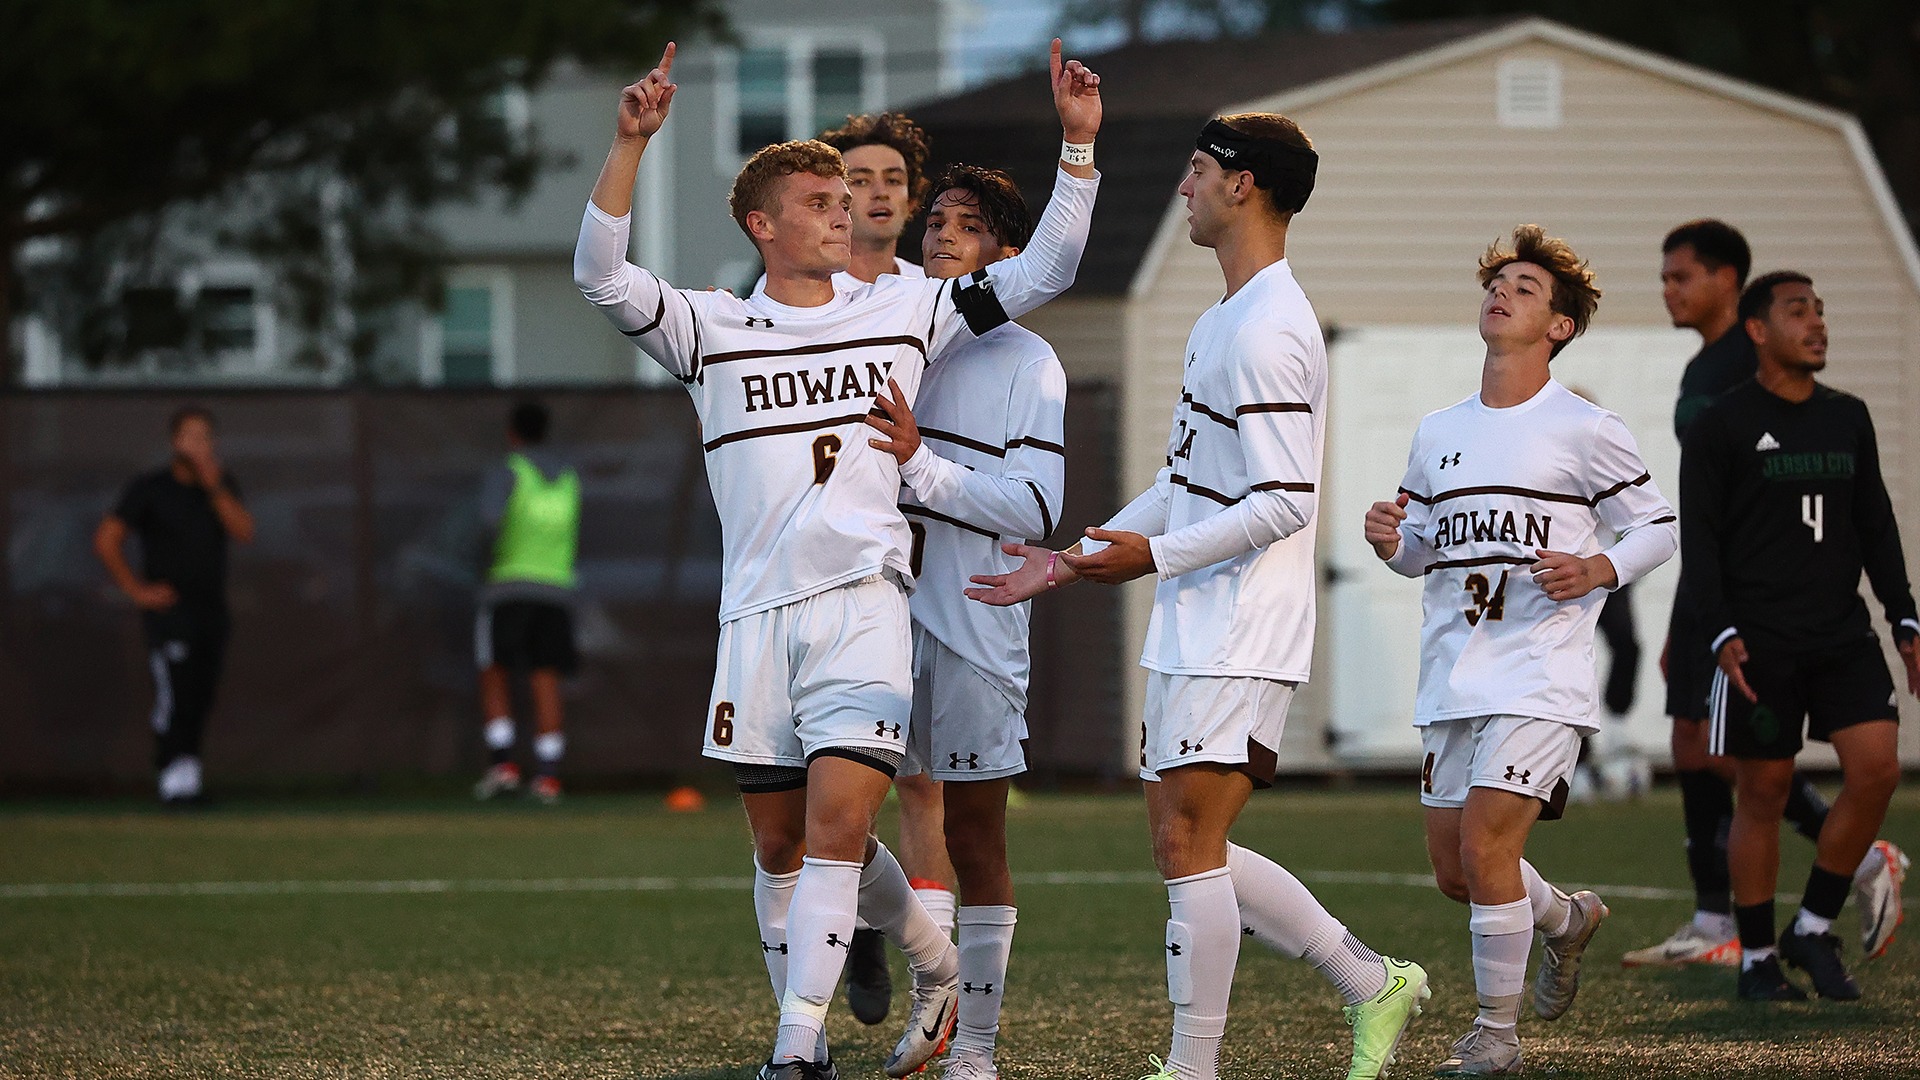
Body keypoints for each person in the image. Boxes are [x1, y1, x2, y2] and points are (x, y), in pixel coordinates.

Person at [572, 40, 1102, 1080]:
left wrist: (1077, 147)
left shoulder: (907, 311)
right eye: (818, 199)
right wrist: (630, 143)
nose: (844, 210)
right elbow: (599, 274)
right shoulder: (711, 330)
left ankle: (797, 1049)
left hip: (865, 604)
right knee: (785, 849)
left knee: (832, 829)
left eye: (844, 196)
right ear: (763, 225)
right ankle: (937, 964)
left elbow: (1045, 270)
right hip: (757, 617)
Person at [969, 112, 1426, 1080]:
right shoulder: (1221, 318)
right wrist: (1067, 559)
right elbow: (1186, 482)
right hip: (1192, 620)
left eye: (1196, 171)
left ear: (1243, 185)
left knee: (1188, 840)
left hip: (1244, 624)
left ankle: (1194, 1066)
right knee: (1185, 848)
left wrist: (1154, 559)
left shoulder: (1270, 328)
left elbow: (1281, 502)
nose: (1183, 187)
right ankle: (1373, 981)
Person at [1364, 225, 1678, 1074]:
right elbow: (1425, 549)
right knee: (1457, 874)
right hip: (1452, 676)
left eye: (1526, 287)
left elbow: (1659, 528)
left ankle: (1495, 1037)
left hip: (1541, 674)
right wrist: (1391, 541)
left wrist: (1598, 566)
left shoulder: (1585, 427)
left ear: (1560, 326)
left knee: (1488, 852)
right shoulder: (1437, 431)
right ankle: (1566, 919)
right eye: (1497, 282)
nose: (1501, 293)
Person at [1623, 221, 1906, 968]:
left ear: (1727, 283)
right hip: (1725, 594)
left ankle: (1766, 900)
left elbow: (1860, 515)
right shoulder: (1707, 372)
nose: (1668, 290)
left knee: (1720, 752)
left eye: (1681, 276)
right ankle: (1721, 919)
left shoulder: (1748, 375)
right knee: (1698, 744)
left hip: (1784, 606)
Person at [863, 164, 1067, 1080]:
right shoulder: (897, 331)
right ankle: (896, 937)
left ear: (1008, 257)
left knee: (978, 840)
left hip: (978, 627)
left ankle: (973, 1046)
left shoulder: (1029, 361)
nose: (941, 236)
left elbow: (1035, 508)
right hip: (874, 615)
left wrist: (921, 468)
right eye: (934, 221)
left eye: (968, 225)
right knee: (823, 806)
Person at [1683, 270, 1920, 1001]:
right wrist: (1719, 627)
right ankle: (1757, 958)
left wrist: (1903, 615)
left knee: (1877, 766)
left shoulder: (1847, 417)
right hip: (1759, 640)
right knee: (1765, 789)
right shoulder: (1721, 423)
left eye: (1821, 312)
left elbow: (1874, 523)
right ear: (1757, 330)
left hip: (1841, 632)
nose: (1817, 324)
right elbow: (1703, 539)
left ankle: (1812, 925)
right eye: (1798, 312)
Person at [807, 108, 956, 1028]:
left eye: (896, 181)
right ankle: (861, 926)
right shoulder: (794, 292)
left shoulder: (926, 296)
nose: (879, 194)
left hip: (927, 545)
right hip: (831, 566)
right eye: (859, 179)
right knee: (835, 779)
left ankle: (932, 1000)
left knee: (925, 773)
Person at [93, 405, 255, 804]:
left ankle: (189, 779)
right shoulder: (150, 488)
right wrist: (137, 590)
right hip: (169, 613)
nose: (200, 445)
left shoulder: (220, 485)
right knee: (176, 694)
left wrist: (214, 486)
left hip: (211, 610)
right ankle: (171, 778)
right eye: (191, 436)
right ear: (175, 442)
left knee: (201, 694)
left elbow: (244, 531)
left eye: (206, 437)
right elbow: (107, 540)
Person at [471, 401, 582, 805]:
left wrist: (479, 558)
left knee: (494, 671)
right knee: (545, 676)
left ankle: (503, 766)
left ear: (512, 433)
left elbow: (488, 522)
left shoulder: (508, 470)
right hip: (556, 590)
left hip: (508, 587)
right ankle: (548, 776)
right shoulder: (568, 477)